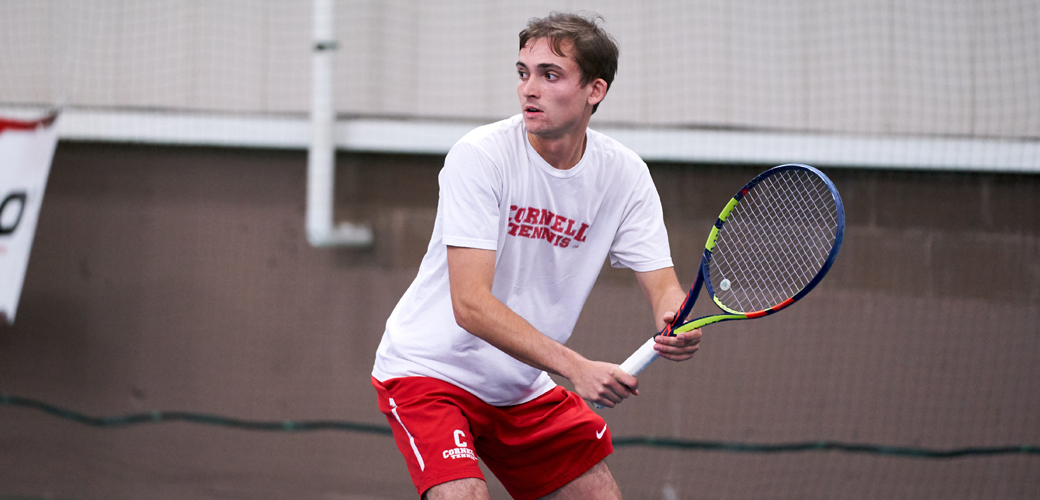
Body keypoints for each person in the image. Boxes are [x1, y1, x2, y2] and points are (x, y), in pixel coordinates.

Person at [371, 12, 701, 500]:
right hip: (430, 372)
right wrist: (576, 367)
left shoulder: (625, 175)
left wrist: (674, 317)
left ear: (595, 90)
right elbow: (470, 306)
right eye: (523, 72)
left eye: (550, 75)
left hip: (518, 384)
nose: (529, 88)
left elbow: (663, 285)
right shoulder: (480, 156)